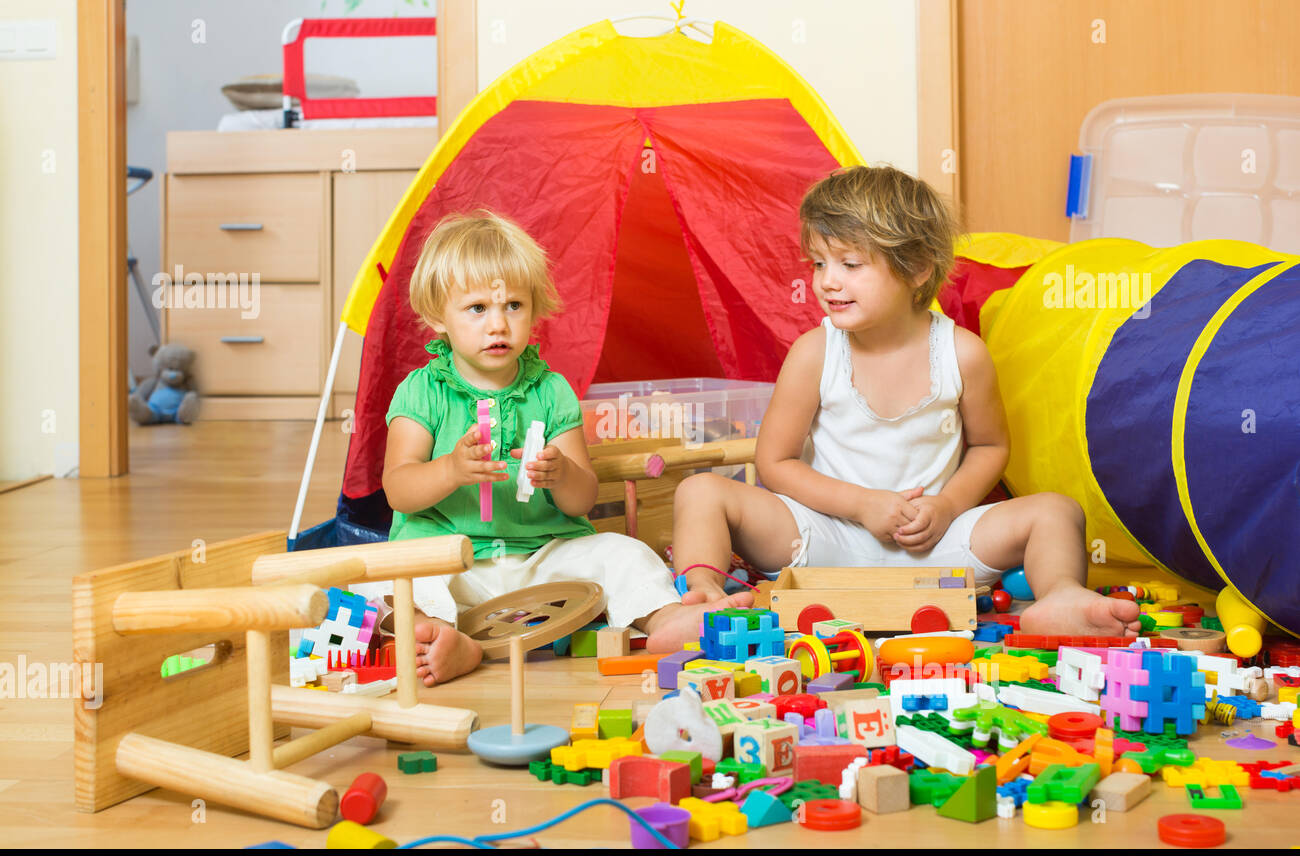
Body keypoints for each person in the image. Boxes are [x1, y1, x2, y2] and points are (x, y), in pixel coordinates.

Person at [666, 165, 1140, 646]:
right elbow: (775, 461)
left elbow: (991, 446)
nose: (828, 282)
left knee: (1057, 511)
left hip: (936, 548)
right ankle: (702, 595)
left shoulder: (962, 353)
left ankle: (1059, 595)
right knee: (702, 490)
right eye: (817, 264)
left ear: (916, 269)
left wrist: (947, 506)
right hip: (825, 540)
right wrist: (862, 505)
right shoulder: (815, 352)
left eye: (850, 265)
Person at [351, 211, 750, 684]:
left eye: (514, 306)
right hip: (449, 560)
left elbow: (582, 499)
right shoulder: (422, 390)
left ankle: (663, 618)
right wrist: (451, 470)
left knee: (624, 551)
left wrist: (562, 475)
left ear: (535, 310)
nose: (498, 324)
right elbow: (398, 488)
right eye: (478, 308)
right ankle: (442, 636)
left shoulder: (552, 390)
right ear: (439, 316)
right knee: (382, 577)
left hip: (543, 559)